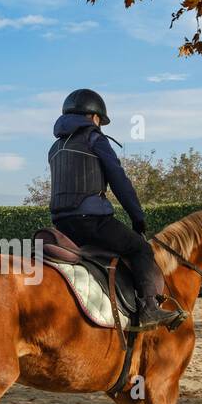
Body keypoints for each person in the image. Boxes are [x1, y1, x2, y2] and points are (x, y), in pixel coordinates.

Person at [48, 89, 179, 331]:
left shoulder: (55, 148)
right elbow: (119, 181)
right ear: (93, 116)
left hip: (62, 225)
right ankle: (150, 308)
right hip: (91, 221)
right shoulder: (95, 139)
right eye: (100, 120)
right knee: (140, 249)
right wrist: (137, 218)